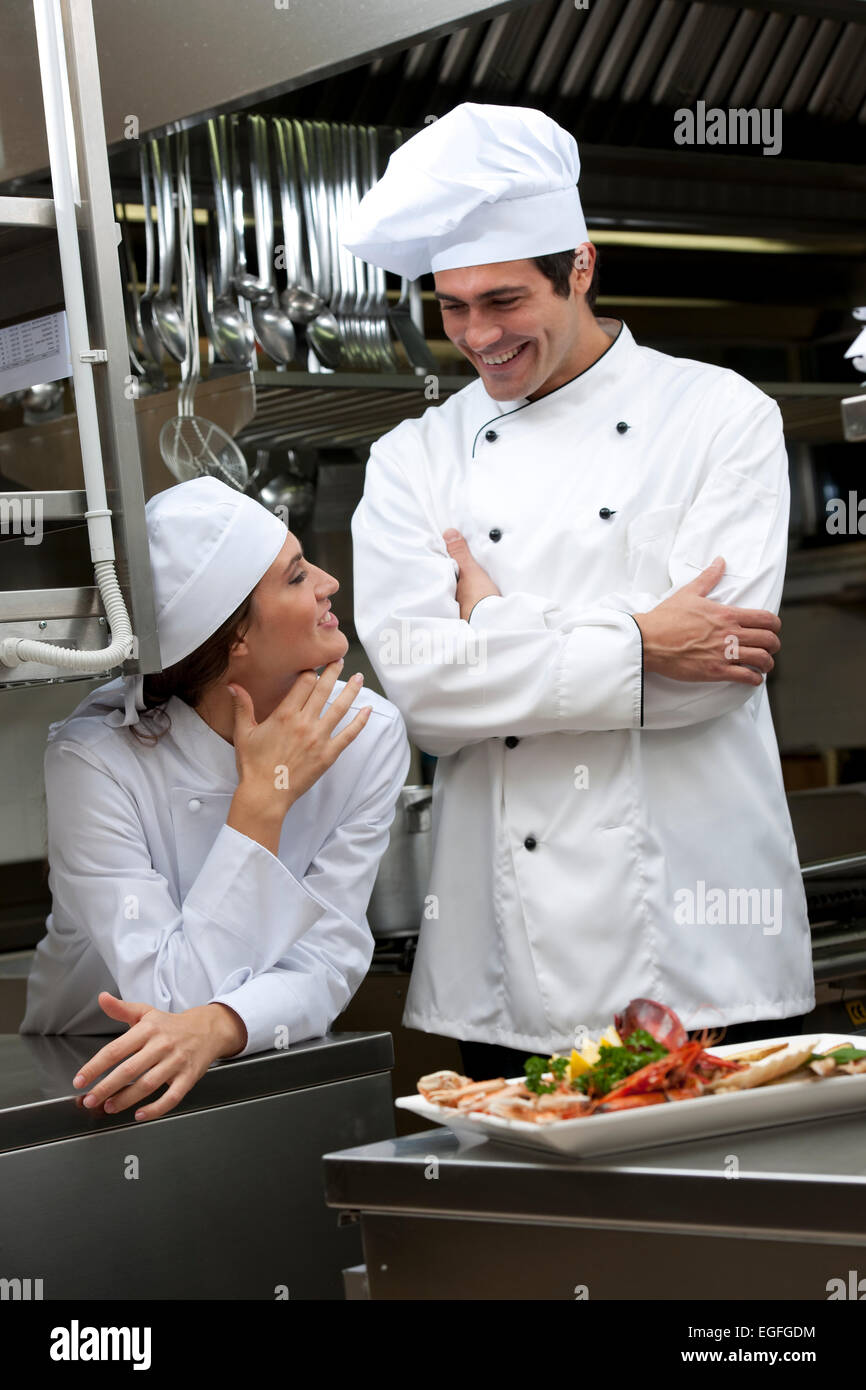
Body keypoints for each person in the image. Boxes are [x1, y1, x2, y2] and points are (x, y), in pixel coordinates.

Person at [345, 103, 813, 1080]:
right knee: (528, 1232)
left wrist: (497, 625)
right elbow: (427, 697)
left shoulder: (719, 418)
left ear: (580, 266)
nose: (477, 336)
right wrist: (643, 637)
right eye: (452, 305)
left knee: (702, 1225)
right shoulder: (409, 461)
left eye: (504, 301)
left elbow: (716, 673)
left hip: (694, 953)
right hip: (502, 971)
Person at [21, 477, 408, 1119]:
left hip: (259, 1052)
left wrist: (224, 1025)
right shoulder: (93, 761)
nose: (328, 582)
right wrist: (263, 802)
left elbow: (331, 955)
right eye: (294, 577)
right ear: (236, 641)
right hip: (89, 1078)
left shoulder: (365, 733)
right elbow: (170, 998)